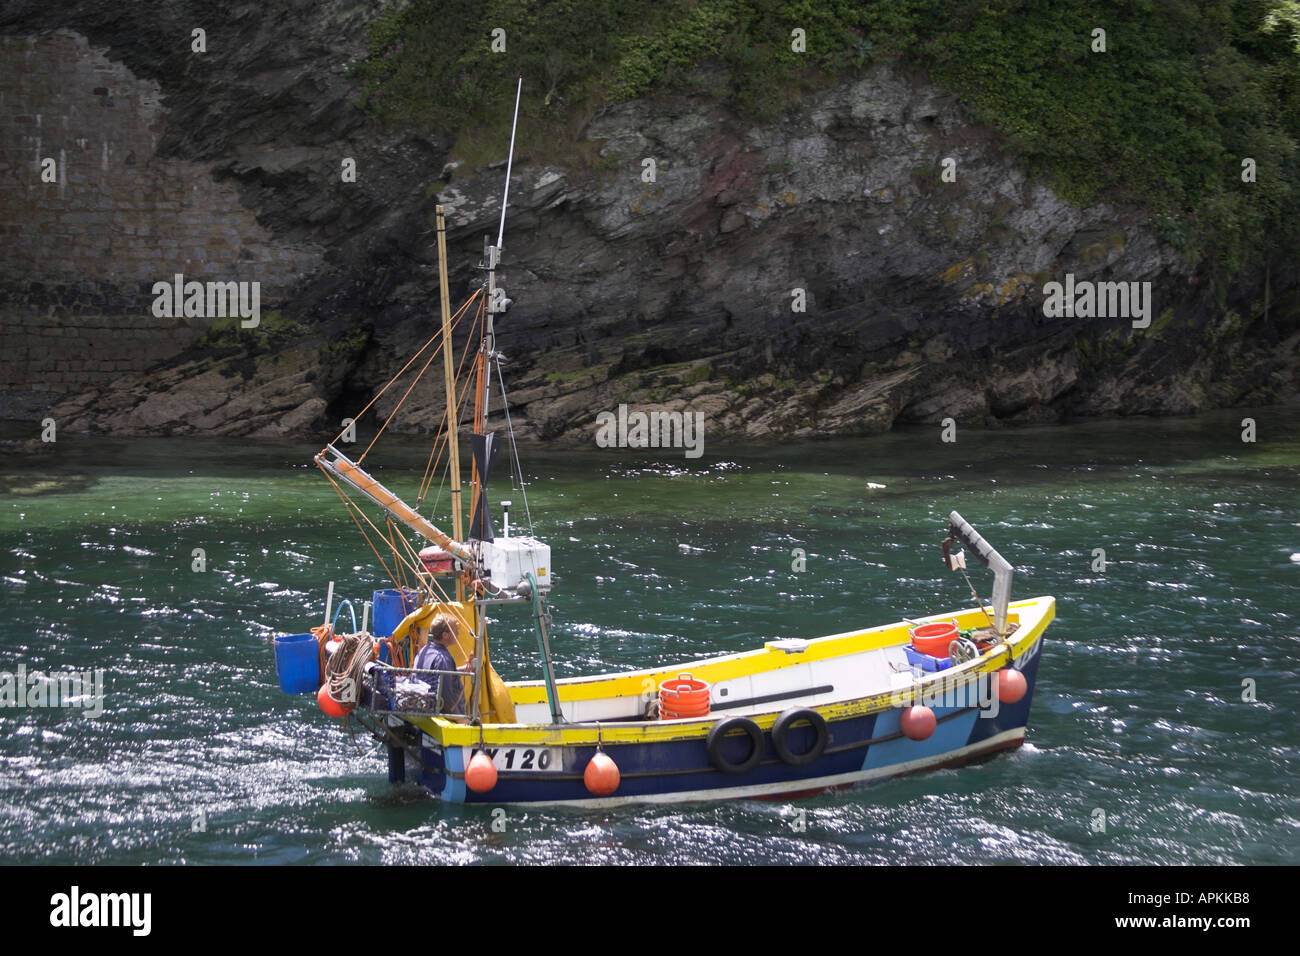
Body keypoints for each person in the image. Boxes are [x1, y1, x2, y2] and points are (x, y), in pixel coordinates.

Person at [411, 612, 473, 716]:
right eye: (455, 630)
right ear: (445, 635)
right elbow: (445, 694)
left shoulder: (424, 650)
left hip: (422, 707)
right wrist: (459, 718)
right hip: (442, 714)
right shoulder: (442, 659)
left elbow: (433, 675)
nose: (458, 633)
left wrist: (460, 670)